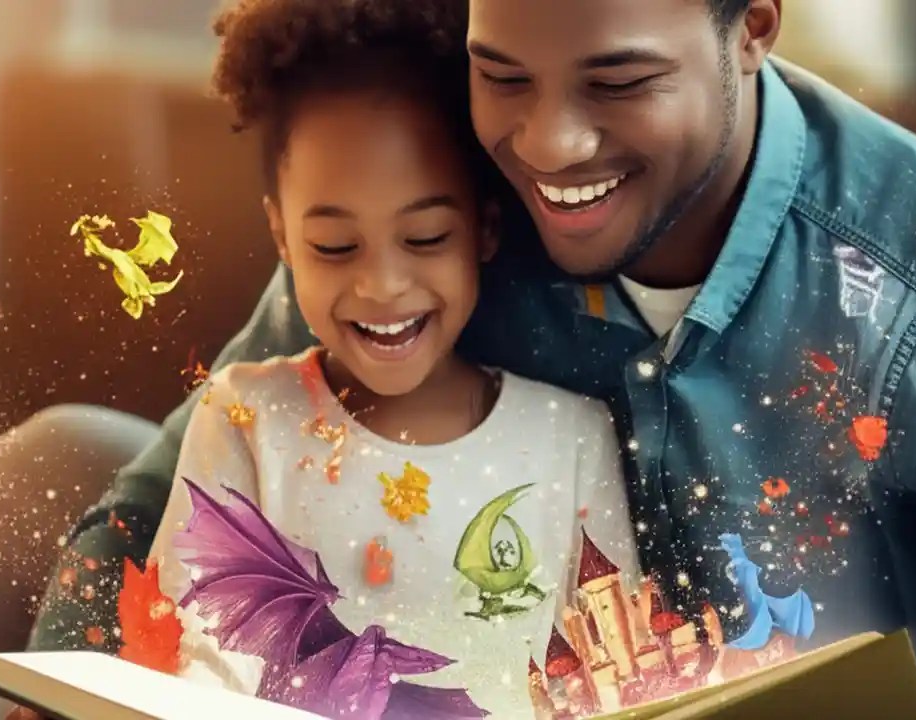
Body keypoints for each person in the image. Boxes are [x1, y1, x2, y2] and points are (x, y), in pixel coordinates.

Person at [5, 0, 916, 717]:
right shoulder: (432, 203)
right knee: (57, 454)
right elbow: (147, 516)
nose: (544, 145)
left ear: (753, 28)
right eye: (499, 72)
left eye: (618, 81)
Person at [121, 1, 642, 718]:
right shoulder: (244, 418)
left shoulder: (572, 435)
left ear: (484, 227)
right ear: (280, 232)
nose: (382, 287)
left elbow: (620, 678)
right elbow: (182, 664)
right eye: (335, 248)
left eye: (425, 237)